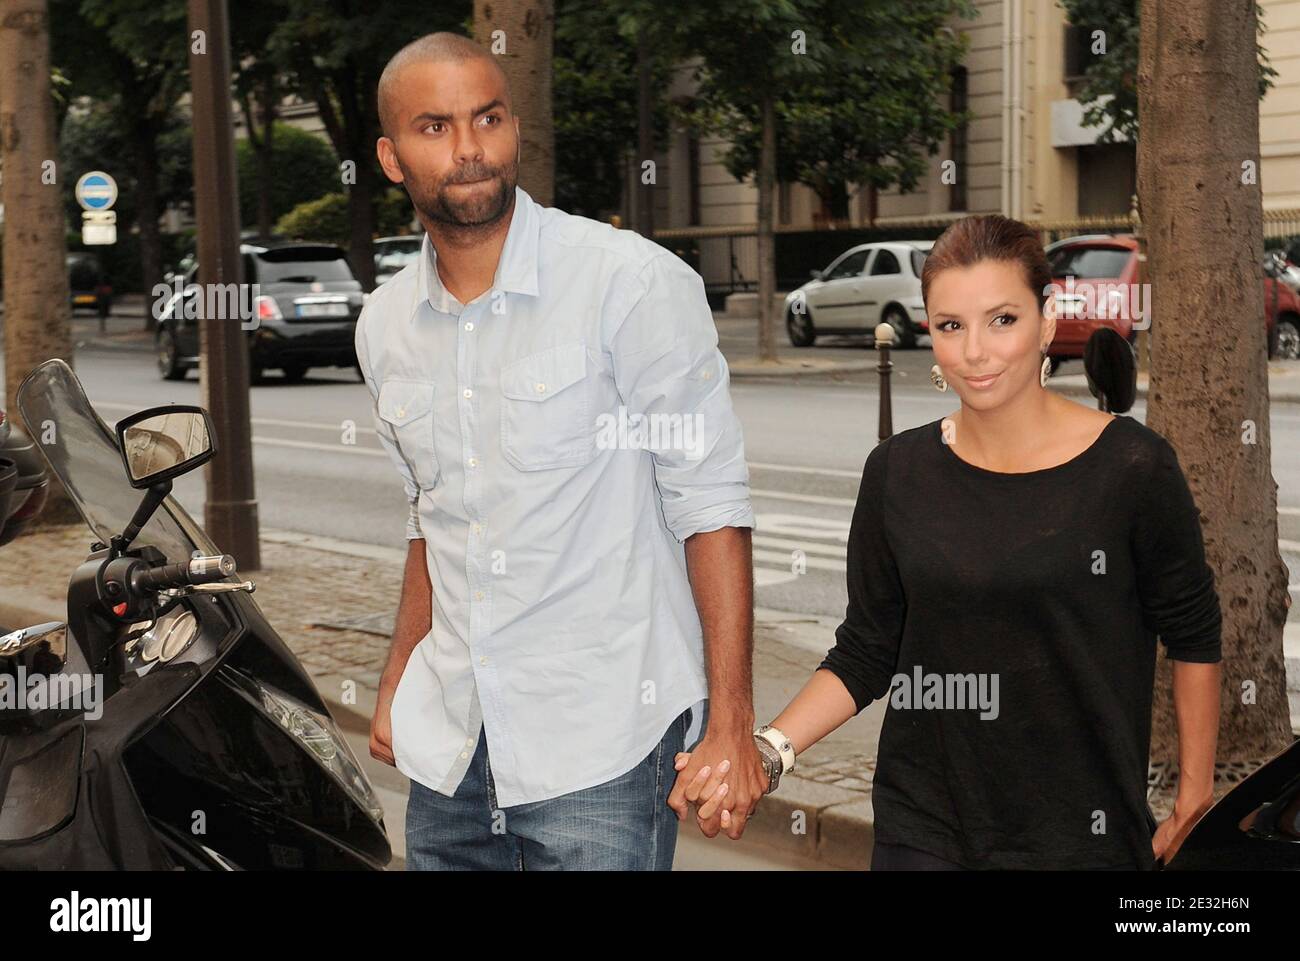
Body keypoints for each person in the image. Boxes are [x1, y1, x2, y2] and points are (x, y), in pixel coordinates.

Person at [677, 215, 1224, 870]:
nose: (974, 352)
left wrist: (1194, 792)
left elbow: (1192, 630)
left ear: (1047, 319)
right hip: (925, 828)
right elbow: (867, 650)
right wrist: (764, 755)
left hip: (1081, 836)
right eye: (950, 325)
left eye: (1002, 319)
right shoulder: (898, 472)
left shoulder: (1133, 467)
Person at [355, 32, 763, 870]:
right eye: (435, 127)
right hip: (454, 744)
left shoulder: (632, 284)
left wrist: (730, 722)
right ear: (392, 158)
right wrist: (398, 677)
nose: (470, 149)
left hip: (602, 743)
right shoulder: (384, 324)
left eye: (488, 119)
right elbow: (432, 520)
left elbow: (712, 505)